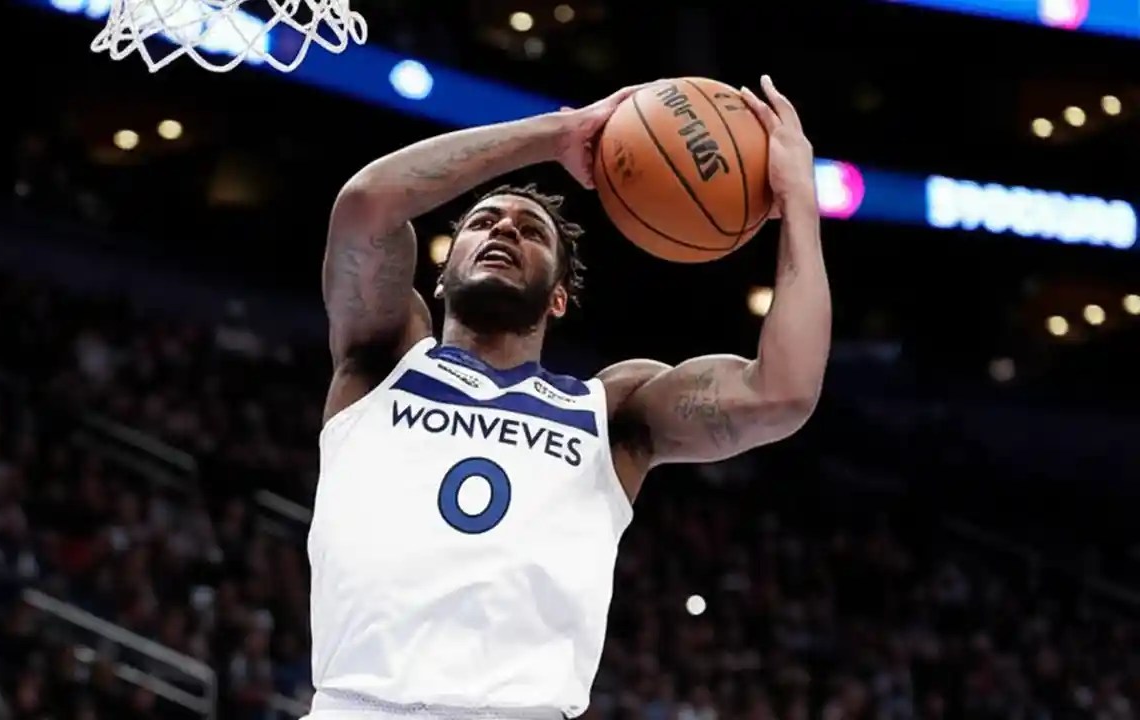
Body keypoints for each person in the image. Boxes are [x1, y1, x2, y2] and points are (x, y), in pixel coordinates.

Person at [308, 75, 830, 720]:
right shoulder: (382, 361)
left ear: (558, 297)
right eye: (482, 221)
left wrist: (799, 197)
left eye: (531, 230)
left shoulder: (612, 411)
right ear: (440, 277)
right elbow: (366, 206)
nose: (504, 229)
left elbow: (782, 392)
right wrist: (558, 134)